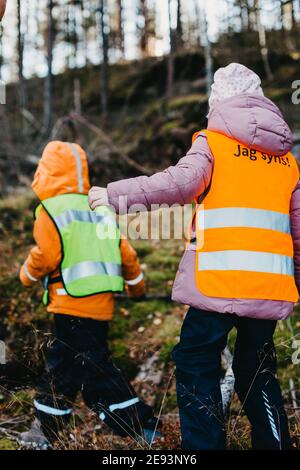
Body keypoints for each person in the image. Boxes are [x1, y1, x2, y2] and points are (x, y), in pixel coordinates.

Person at [88, 63, 300, 450]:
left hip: (218, 282)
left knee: (195, 362)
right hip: (270, 286)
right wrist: (295, 281)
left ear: (217, 102)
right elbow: (299, 230)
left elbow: (180, 182)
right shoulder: (287, 160)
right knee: (258, 371)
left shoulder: (213, 141)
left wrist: (117, 194)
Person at [19, 141, 159, 449]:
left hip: (70, 305)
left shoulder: (50, 210)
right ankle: (139, 424)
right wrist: (137, 287)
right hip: (101, 308)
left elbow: (46, 256)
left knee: (69, 370)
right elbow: (126, 254)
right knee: (87, 366)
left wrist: (26, 275)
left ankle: (44, 434)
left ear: (46, 172)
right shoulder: (99, 209)